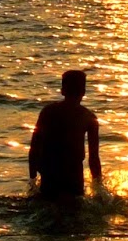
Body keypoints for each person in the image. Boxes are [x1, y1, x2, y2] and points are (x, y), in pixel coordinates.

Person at [28, 69, 102, 198]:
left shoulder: (48, 112)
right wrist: (99, 188)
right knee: (74, 211)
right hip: (73, 176)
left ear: (63, 90)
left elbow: (34, 147)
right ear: (83, 92)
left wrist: (32, 178)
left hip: (50, 173)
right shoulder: (89, 118)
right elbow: (94, 158)